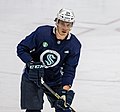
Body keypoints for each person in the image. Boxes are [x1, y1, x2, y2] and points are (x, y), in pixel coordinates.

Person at [17, 8, 82, 112]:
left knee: (63, 108)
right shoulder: (42, 33)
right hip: (34, 78)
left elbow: (70, 69)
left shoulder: (74, 45)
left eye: (68, 24)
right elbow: (21, 48)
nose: (65, 27)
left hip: (55, 79)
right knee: (33, 110)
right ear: (56, 22)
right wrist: (31, 63)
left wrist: (65, 91)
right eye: (62, 23)